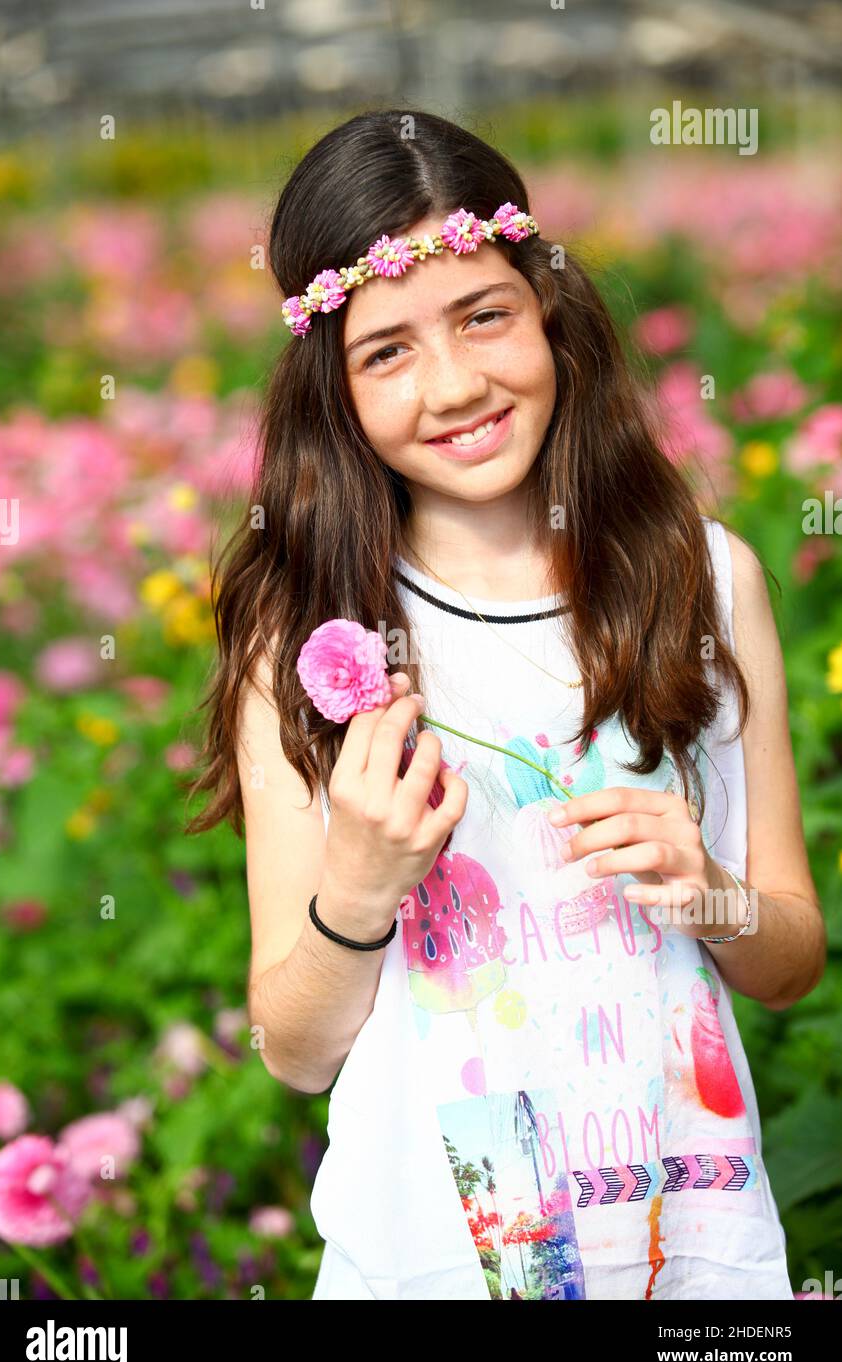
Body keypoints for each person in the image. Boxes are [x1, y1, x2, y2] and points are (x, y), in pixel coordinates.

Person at [187, 108, 826, 1300]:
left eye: (483, 316)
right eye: (386, 351)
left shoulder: (702, 577)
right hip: (438, 1259)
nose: (455, 384)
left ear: (546, 308)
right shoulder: (307, 635)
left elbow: (788, 963)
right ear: (333, 385)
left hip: (684, 1256)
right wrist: (361, 884)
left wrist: (714, 893)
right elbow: (295, 1048)